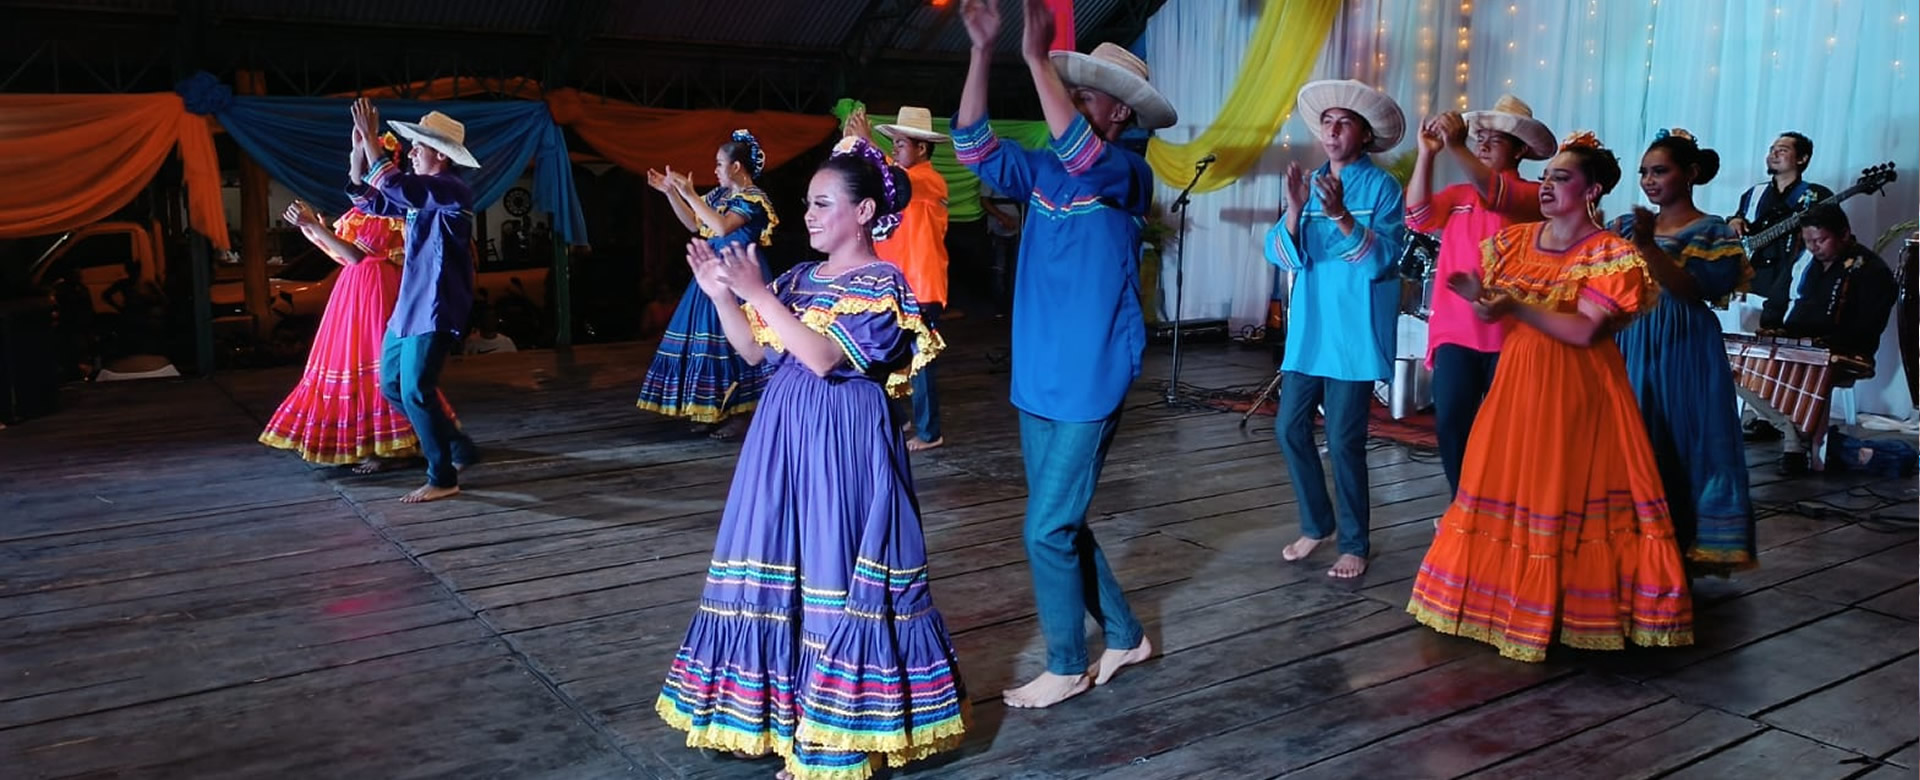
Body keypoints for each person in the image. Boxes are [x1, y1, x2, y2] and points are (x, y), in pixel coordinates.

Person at [653, 137, 964, 780]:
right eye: (808, 203)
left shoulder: (882, 283)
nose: (811, 215)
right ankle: (769, 717)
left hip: (841, 443)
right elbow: (753, 351)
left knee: (830, 568)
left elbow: (826, 359)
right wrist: (717, 292)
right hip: (783, 434)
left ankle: (835, 739)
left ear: (864, 210)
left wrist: (756, 292)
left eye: (824, 204)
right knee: (778, 564)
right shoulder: (798, 279)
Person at [951, 0, 1176, 709]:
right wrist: (986, 50)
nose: (1077, 98)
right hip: (1037, 374)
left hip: (1090, 376)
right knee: (1063, 522)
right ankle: (1128, 633)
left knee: (1045, 527)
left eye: (1091, 94)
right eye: (1073, 87)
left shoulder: (1127, 173)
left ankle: (1066, 662)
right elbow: (971, 146)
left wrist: (1036, 59)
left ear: (1119, 116)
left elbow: (1080, 147)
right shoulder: (1044, 169)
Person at [1406, 132, 1693, 662]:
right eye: (1545, 176)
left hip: (1575, 389)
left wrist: (1511, 305)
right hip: (1518, 383)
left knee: (1561, 489)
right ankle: (1503, 600)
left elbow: (1585, 332)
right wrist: (1486, 302)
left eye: (1561, 177)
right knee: (1510, 483)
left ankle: (1562, 607)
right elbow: (1502, 312)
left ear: (1594, 190)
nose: (1546, 185)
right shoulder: (1517, 243)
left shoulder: (1610, 253)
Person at [1263, 79, 1407, 580]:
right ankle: (1316, 523)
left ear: (1365, 136)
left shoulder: (1383, 189)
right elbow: (1277, 253)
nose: (1332, 129)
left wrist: (1342, 215)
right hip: (1309, 332)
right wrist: (1298, 209)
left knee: (1345, 441)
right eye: (1327, 121)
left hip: (1352, 337)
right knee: (1288, 428)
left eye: (1344, 122)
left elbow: (1384, 261)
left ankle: (1354, 542)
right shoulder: (1310, 180)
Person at [1609, 129, 1755, 569]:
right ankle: (1633, 542)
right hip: (1631, 335)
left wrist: (1650, 246)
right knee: (1631, 437)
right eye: (1644, 173)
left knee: (1683, 437)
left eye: (1660, 171)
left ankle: (1686, 547)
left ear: (1689, 174)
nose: (1649, 180)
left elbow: (1695, 290)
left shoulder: (1712, 230)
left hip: (1682, 342)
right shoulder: (1623, 226)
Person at [1404, 95, 1552, 496]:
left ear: (1521, 150)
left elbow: (1497, 194)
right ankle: (1462, 503)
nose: (1482, 145)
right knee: (1452, 420)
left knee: (1509, 429)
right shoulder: (1458, 194)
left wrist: (1455, 146)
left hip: (1512, 332)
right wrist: (1427, 155)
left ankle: (1504, 505)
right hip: (1456, 329)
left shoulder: (1535, 196)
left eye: (1494, 140)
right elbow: (1417, 218)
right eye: (1478, 138)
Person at [348, 99, 482, 503]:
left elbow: (395, 186)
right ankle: (459, 449)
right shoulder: (425, 191)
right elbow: (372, 200)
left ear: (440, 155)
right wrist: (359, 154)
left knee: (417, 390)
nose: (411, 151)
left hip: (436, 304)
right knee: (392, 385)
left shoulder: (452, 190)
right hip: (410, 305)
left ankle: (442, 477)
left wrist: (374, 144)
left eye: (418, 146)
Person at [636, 130, 778, 441]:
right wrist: (671, 193)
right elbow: (694, 224)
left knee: (739, 344)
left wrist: (688, 193)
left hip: (740, 273)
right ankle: (712, 409)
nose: (714, 170)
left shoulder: (752, 197)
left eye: (719, 164)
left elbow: (721, 226)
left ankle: (743, 415)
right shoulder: (720, 196)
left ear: (737, 167)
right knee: (710, 342)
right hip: (714, 272)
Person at [848, 105, 952, 452]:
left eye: (901, 144)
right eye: (892, 144)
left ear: (921, 149)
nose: (895, 149)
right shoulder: (900, 180)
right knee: (872, 353)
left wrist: (867, 144)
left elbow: (893, 180)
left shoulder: (926, 179)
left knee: (920, 363)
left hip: (922, 284)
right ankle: (900, 419)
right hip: (897, 284)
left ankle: (928, 431)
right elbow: (880, 180)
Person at [1766, 203, 1899, 474]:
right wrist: (1772, 330)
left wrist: (1819, 344)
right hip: (1797, 347)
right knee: (1730, 367)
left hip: (1843, 351)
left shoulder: (1871, 270)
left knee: (1809, 368)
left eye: (1820, 240)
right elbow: (1776, 301)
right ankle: (1795, 435)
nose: (1813, 247)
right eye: (1808, 241)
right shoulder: (1805, 262)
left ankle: (1795, 445)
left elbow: (1866, 327)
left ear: (1845, 234)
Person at [1729, 132, 1833, 330]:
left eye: (1782, 150)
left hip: (1793, 280)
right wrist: (1734, 221)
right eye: (1771, 150)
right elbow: (1741, 220)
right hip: (1753, 280)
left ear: (1802, 159)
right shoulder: (1754, 193)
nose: (1773, 154)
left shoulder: (1817, 195)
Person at [981, 181, 1025, 318]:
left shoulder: (1018, 174)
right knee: (999, 269)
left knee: (1015, 269)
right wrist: (1002, 217)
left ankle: (1012, 305)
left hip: (1018, 227)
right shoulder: (990, 175)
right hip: (997, 227)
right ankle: (999, 307)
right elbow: (984, 201)